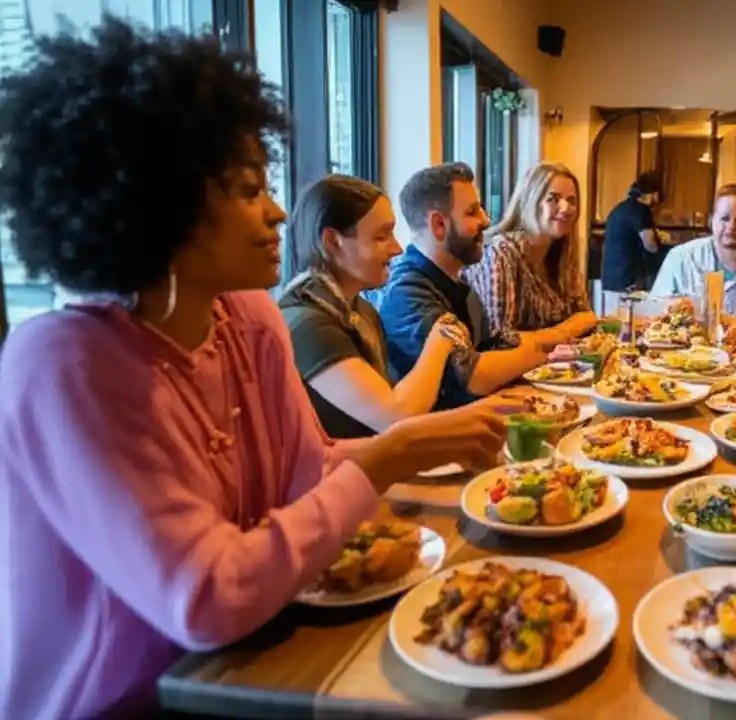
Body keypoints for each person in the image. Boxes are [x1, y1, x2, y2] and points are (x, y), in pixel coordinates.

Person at [0, 22, 506, 720]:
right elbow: (206, 598)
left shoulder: (248, 316)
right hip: (125, 702)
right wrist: (393, 454)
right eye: (246, 189)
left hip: (259, 666)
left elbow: (307, 470)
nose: (275, 213)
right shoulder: (62, 365)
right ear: (157, 203)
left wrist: (431, 443)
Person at [279, 175, 468, 437]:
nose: (397, 248)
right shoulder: (309, 325)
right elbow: (396, 415)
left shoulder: (361, 310)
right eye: (381, 236)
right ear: (333, 242)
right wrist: (440, 339)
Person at [379, 163, 549, 410]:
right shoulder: (406, 292)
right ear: (439, 225)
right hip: (437, 440)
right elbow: (471, 377)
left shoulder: (458, 281)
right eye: (472, 212)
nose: (486, 220)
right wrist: (537, 354)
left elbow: (489, 347)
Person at [464, 162, 597, 343]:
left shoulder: (563, 255)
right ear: (530, 201)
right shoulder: (501, 253)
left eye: (572, 201)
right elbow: (501, 341)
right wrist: (568, 329)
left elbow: (587, 320)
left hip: (559, 369)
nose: (566, 208)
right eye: (553, 199)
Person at [649, 183, 736, 318]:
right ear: (712, 221)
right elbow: (652, 312)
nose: (731, 227)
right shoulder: (681, 259)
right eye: (724, 218)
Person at [601, 169, 665, 308]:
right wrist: (661, 242)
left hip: (610, 279)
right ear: (652, 194)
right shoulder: (641, 210)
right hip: (628, 281)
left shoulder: (618, 209)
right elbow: (650, 245)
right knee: (630, 324)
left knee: (612, 324)